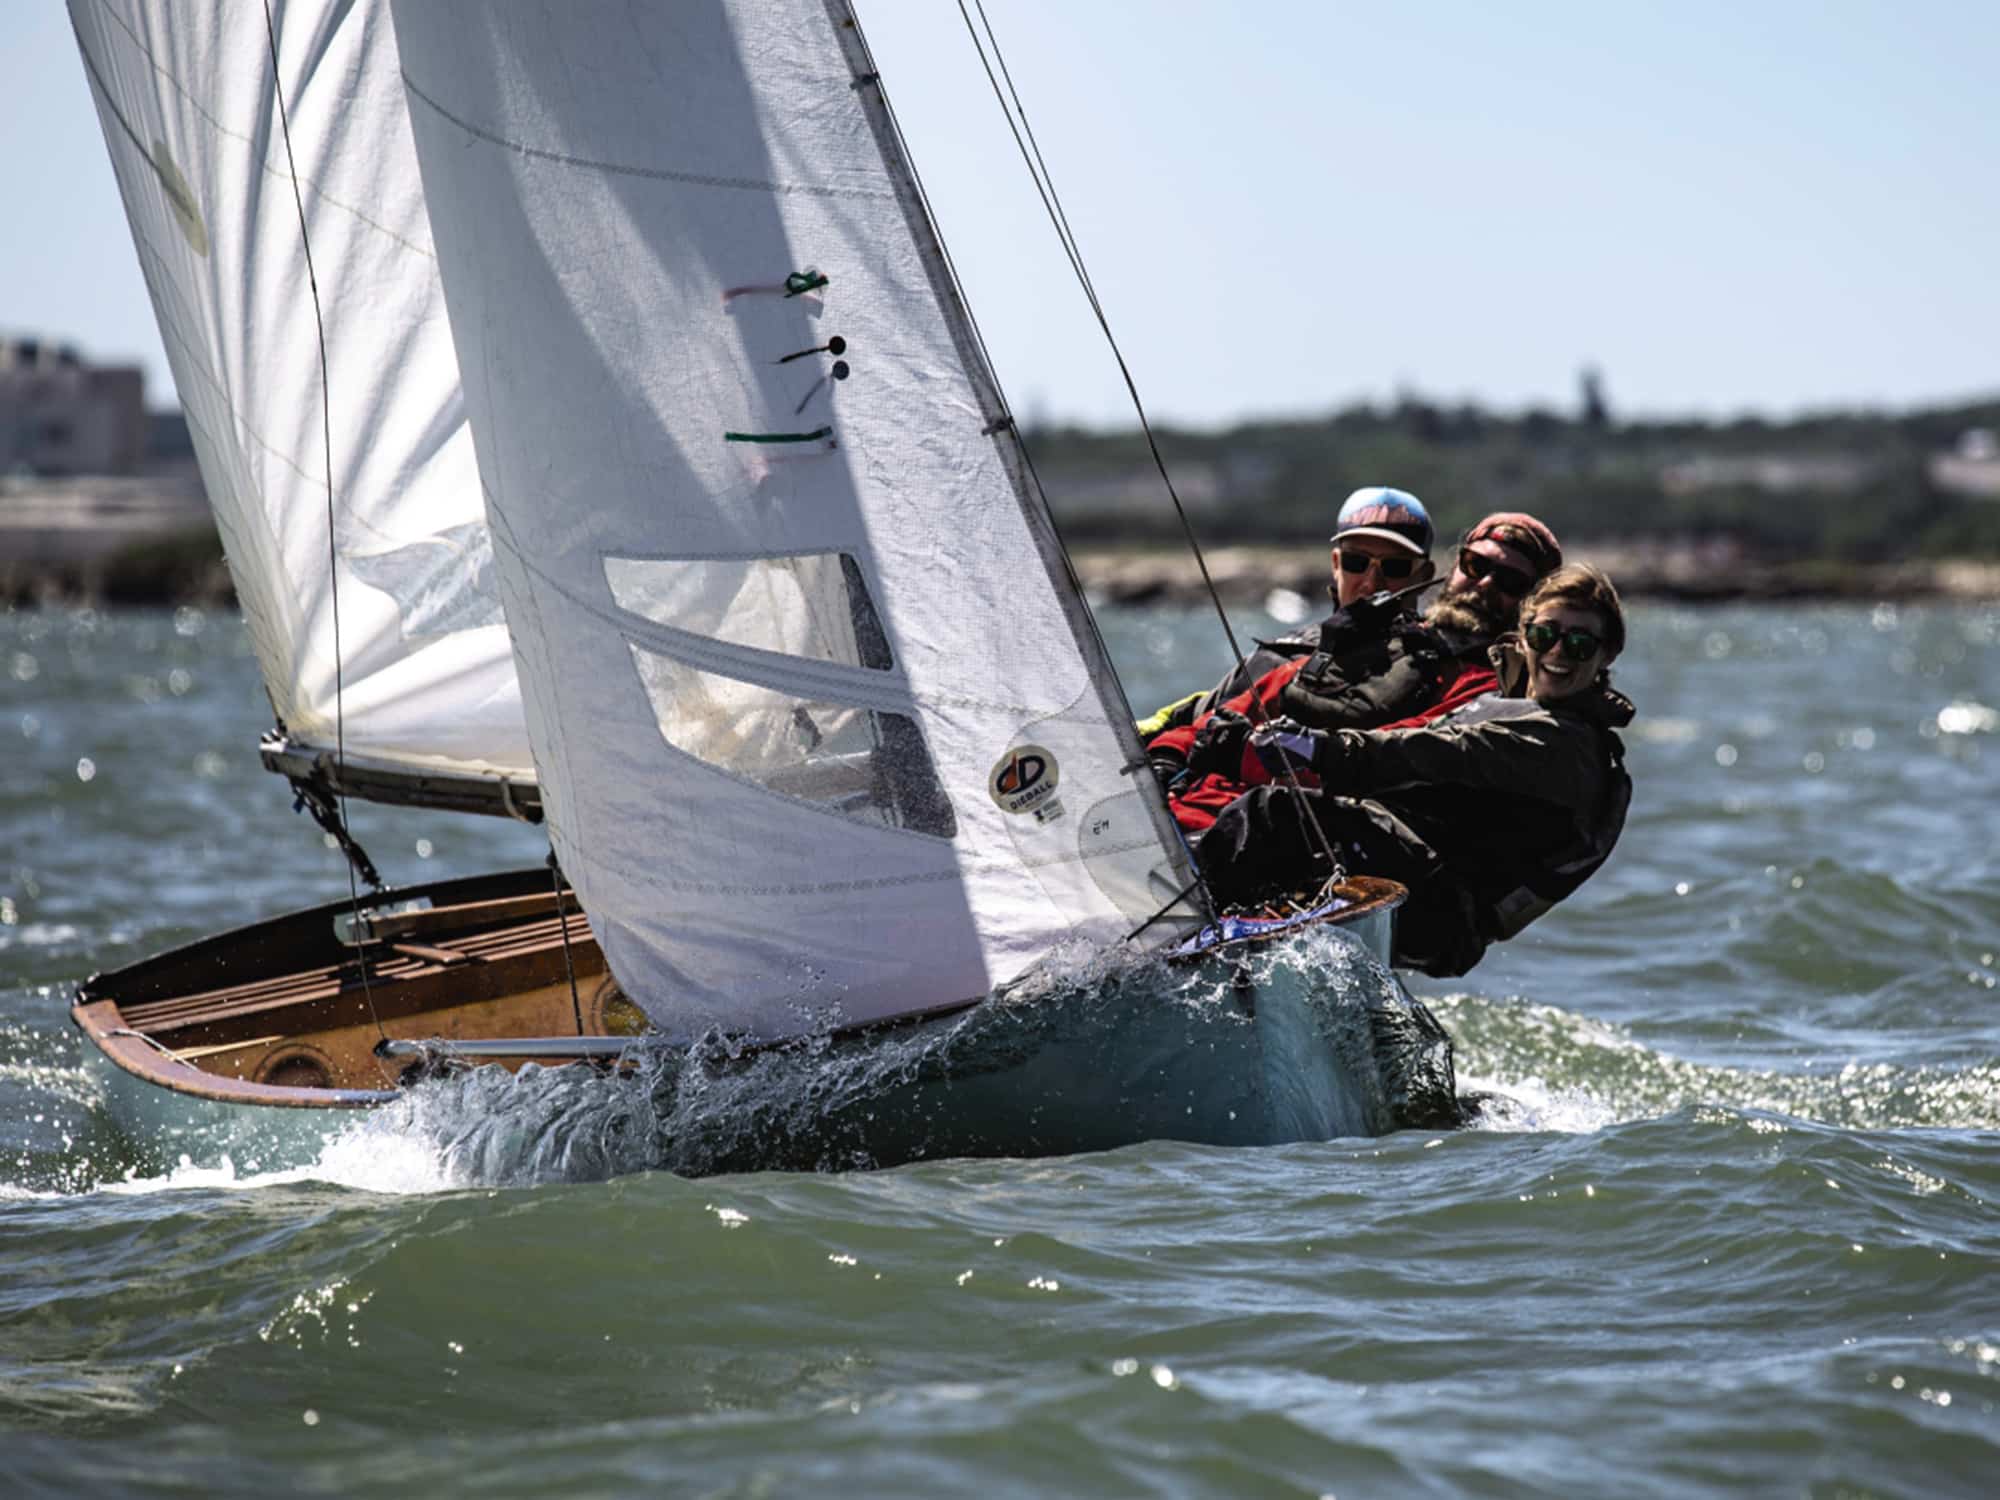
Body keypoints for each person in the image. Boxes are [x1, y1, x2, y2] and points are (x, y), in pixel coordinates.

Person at [1187, 563, 1634, 978]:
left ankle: (1179, 943)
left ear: (1607, 655)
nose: (1558, 653)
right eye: (1545, 636)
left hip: (1441, 915)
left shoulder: (1564, 743)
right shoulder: (1509, 703)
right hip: (1410, 876)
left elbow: (1432, 750)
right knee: (1273, 819)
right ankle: (1241, 947)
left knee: (1273, 814)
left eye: (1579, 644)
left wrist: (1306, 749)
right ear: (1523, 635)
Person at [1147, 510, 1565, 834]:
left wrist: (1249, 756)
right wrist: (1170, 754)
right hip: (1189, 818)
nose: (1485, 584)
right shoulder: (1361, 636)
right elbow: (1248, 704)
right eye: (1476, 566)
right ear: (1455, 567)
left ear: (1532, 602)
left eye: (1510, 581)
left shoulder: (1494, 692)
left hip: (1289, 839)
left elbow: (1393, 759)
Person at [1135, 486, 1438, 738]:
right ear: (1336, 564)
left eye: (1394, 567)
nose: (1372, 582)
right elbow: (1196, 714)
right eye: (1356, 562)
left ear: (1424, 576)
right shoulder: (1280, 656)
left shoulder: (1442, 666)